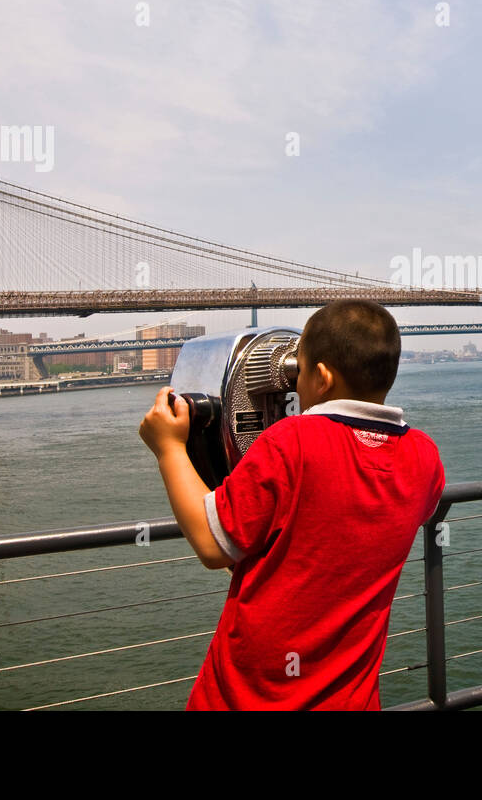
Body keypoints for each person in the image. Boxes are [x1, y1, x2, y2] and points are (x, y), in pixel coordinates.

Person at [138, 299, 446, 709]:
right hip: (351, 698)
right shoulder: (425, 456)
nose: (291, 386)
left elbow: (214, 547)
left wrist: (169, 447)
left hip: (249, 697)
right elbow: (350, 519)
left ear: (321, 377)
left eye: (297, 372)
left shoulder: (289, 444)